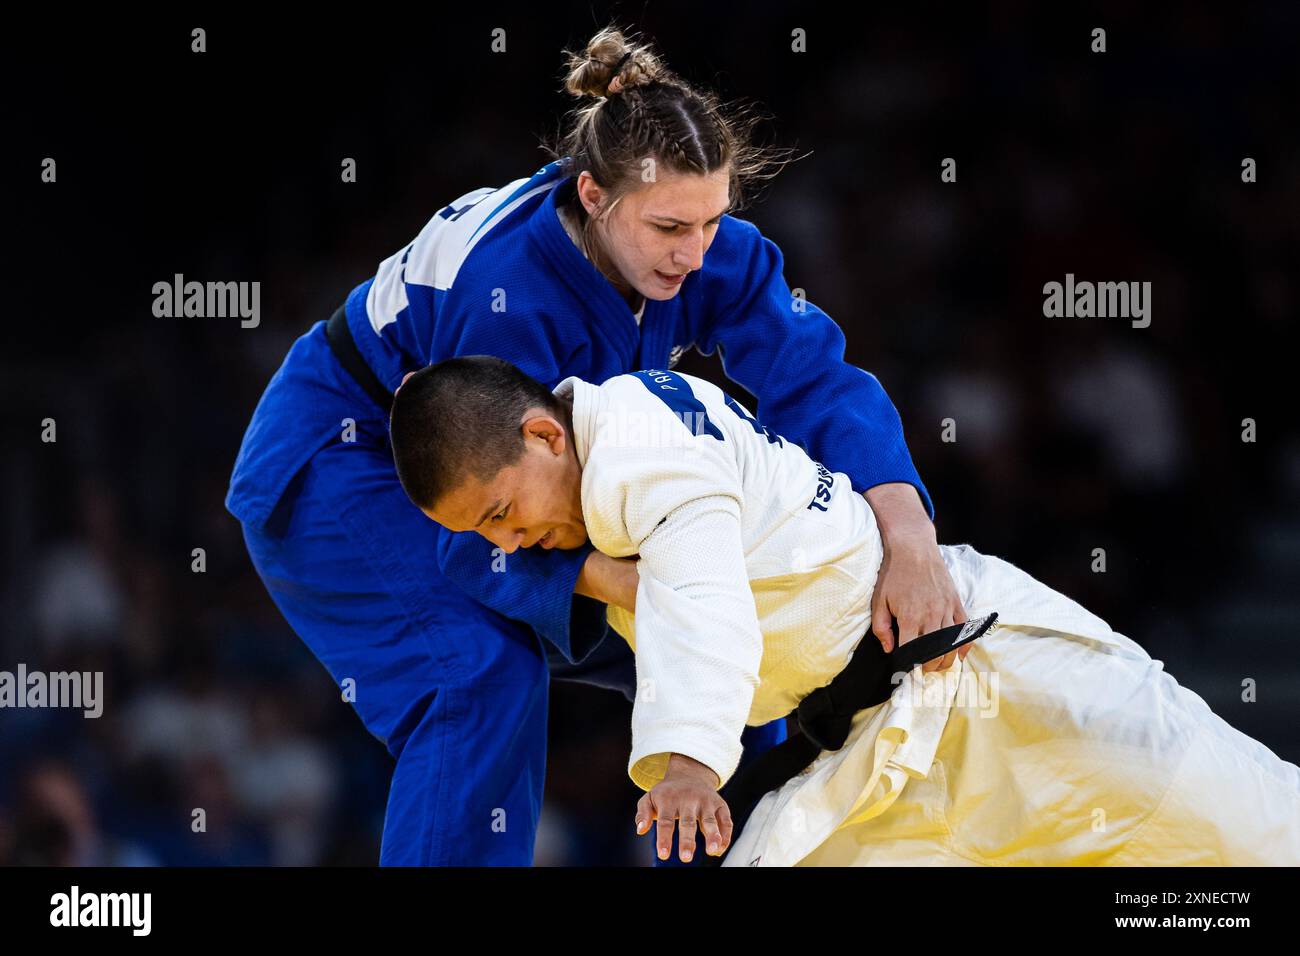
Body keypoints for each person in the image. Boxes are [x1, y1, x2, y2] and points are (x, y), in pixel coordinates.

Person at [225, 27, 962, 865]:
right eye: (669, 227)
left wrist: (907, 535)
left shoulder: (706, 250)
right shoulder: (508, 302)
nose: (693, 251)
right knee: (480, 672)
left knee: (751, 663)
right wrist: (640, 586)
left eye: (713, 221)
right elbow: (473, 530)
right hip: (348, 463)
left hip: (490, 476)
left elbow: (816, 378)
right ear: (594, 196)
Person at [389, 356, 1300, 866]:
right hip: (865, 750)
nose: (509, 544)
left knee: (1241, 827)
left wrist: (688, 767)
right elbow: (505, 568)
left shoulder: (635, 461)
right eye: (487, 533)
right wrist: (604, 578)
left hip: (982, 675)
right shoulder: (617, 434)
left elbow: (705, 606)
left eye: (503, 513)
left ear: (544, 435)